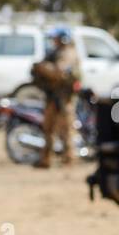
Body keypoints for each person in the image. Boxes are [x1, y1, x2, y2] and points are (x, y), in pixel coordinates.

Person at [34, 28, 81, 168]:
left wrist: (43, 68)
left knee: (66, 129)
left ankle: (69, 158)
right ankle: (46, 159)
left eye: (55, 38)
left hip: (64, 98)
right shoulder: (54, 53)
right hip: (52, 97)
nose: (53, 41)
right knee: (48, 129)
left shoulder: (68, 53)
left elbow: (58, 72)